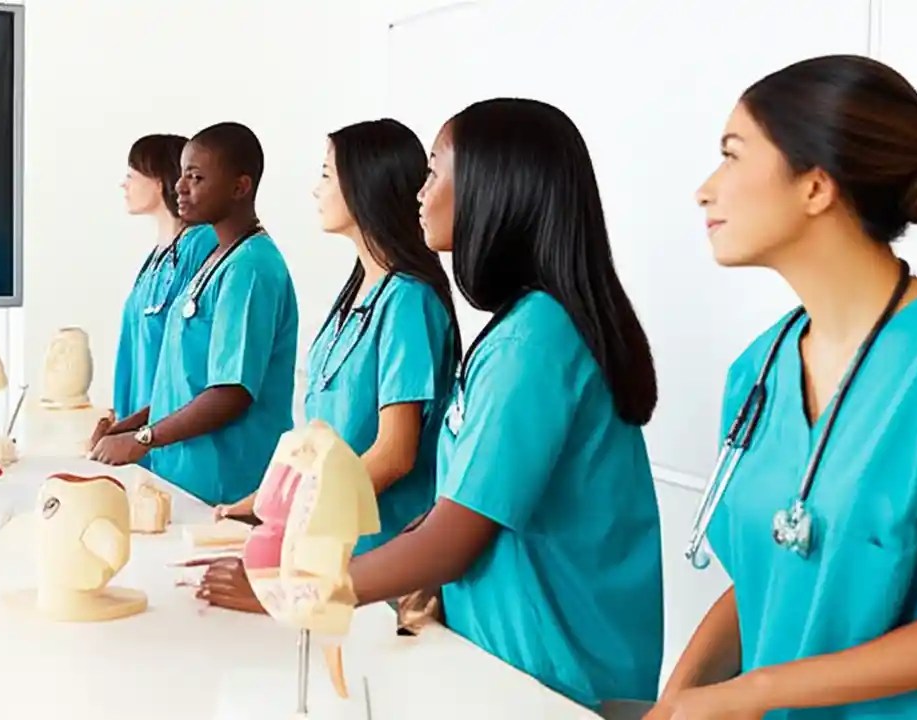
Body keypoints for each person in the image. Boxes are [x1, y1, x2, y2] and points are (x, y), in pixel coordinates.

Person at [199, 99, 665, 712]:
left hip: (554, 675)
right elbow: (462, 501)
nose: (420, 192)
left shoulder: (534, 341)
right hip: (510, 655)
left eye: (435, 171)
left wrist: (294, 588)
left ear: (496, 188)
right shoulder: (519, 329)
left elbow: (452, 534)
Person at [649, 55, 917, 720]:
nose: (705, 190)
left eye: (732, 155)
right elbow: (762, 585)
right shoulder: (758, 371)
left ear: (816, 186)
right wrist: (676, 700)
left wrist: (758, 691)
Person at [213, 119, 459, 555]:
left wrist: (295, 513)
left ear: (365, 183)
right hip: (325, 542)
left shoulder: (407, 301)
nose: (316, 190)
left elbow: (394, 454)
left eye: (326, 174)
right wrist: (261, 503)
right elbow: (320, 443)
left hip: (375, 549)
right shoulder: (358, 292)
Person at [91, 122, 299, 507]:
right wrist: (129, 426)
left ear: (239, 187)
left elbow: (231, 392)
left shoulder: (251, 268)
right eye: (182, 175)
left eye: (196, 177)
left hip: (226, 486)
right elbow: (187, 384)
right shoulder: (218, 260)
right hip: (182, 475)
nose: (180, 187)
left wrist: (144, 438)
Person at [106, 134, 218, 428]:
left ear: (158, 181)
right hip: (136, 427)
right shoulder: (155, 259)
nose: (123, 184)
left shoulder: (202, 245)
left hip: (170, 430)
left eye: (131, 175)